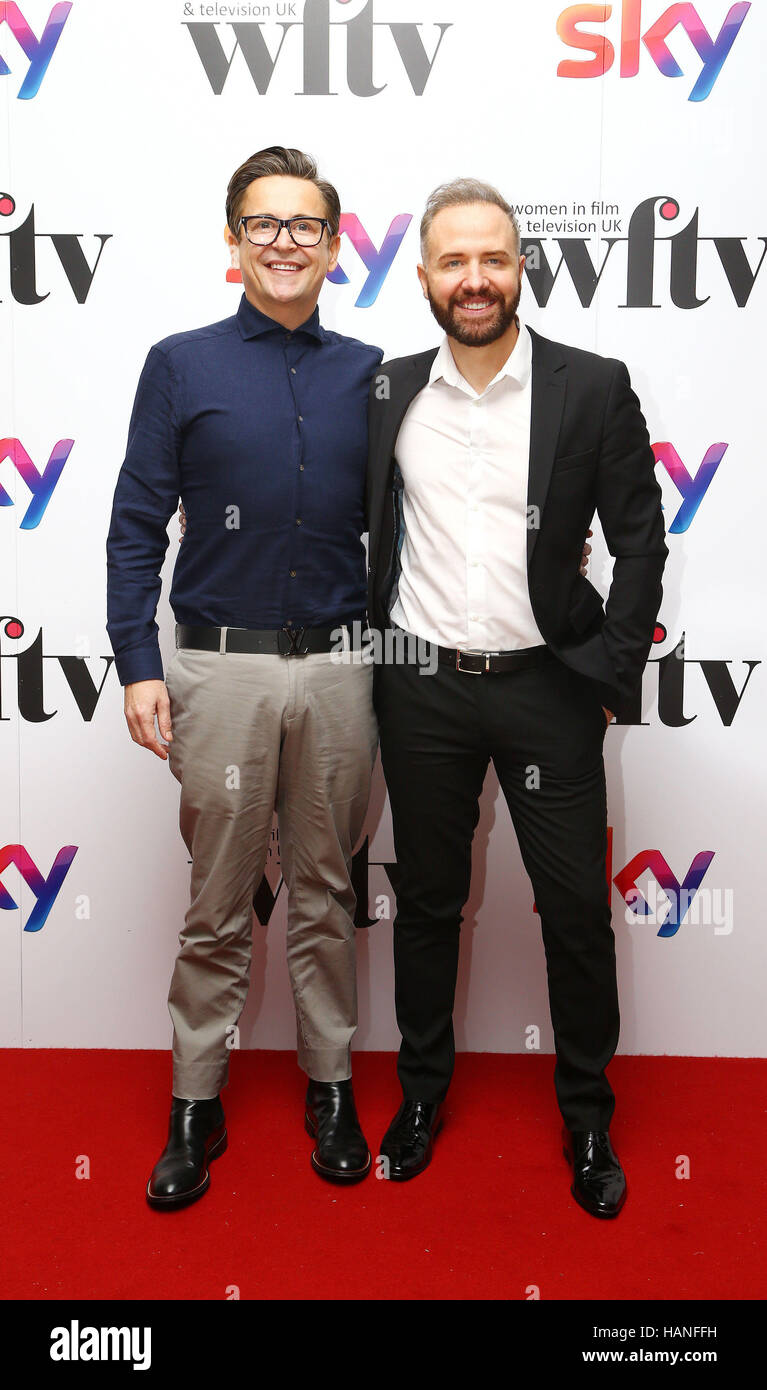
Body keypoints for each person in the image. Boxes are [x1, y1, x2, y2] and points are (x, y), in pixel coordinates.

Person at [366, 178, 668, 1218]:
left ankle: (585, 1116)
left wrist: (605, 675)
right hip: (420, 690)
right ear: (422, 278)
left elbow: (638, 540)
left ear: (520, 265)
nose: (474, 278)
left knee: (576, 910)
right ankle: (417, 1100)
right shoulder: (387, 392)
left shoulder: (589, 386)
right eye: (452, 261)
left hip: (548, 686)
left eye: (491, 257)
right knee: (428, 904)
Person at [106, 146, 382, 1207]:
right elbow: (135, 525)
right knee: (217, 901)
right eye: (262, 224)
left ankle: (328, 1088)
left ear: (332, 244)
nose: (283, 241)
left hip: (345, 672)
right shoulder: (179, 362)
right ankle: (194, 1100)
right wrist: (138, 662)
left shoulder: (373, 372)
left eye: (303, 225)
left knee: (325, 892)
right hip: (218, 677)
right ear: (232, 242)